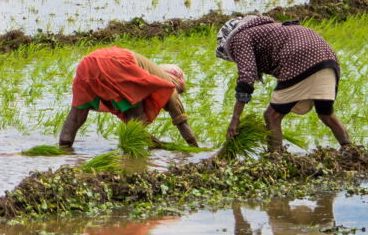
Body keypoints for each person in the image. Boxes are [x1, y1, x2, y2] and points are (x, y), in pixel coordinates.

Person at [215, 16, 352, 149]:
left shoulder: (239, 38)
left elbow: (247, 76)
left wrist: (235, 118)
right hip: (328, 59)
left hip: (300, 60)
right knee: (326, 114)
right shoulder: (268, 29)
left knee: (272, 116)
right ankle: (351, 150)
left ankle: (275, 158)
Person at [58, 46, 198, 148]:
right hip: (118, 62)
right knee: (137, 118)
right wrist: (196, 150)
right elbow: (182, 123)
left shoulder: (147, 70)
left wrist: (158, 144)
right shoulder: (169, 84)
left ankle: (64, 150)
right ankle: (132, 160)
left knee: (76, 116)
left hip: (86, 64)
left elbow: (133, 127)